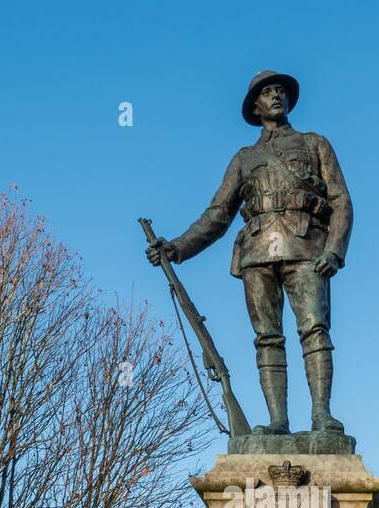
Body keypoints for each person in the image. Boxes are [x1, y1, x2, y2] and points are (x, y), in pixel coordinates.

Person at [146, 70, 353, 437]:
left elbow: (341, 201)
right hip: (257, 252)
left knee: (314, 330)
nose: (276, 96)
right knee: (267, 338)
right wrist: (177, 247)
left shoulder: (315, 143)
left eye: (280, 91)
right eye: (267, 93)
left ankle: (322, 416)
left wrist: (334, 250)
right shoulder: (244, 159)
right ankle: (279, 422)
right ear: (255, 107)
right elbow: (218, 214)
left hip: (307, 247)